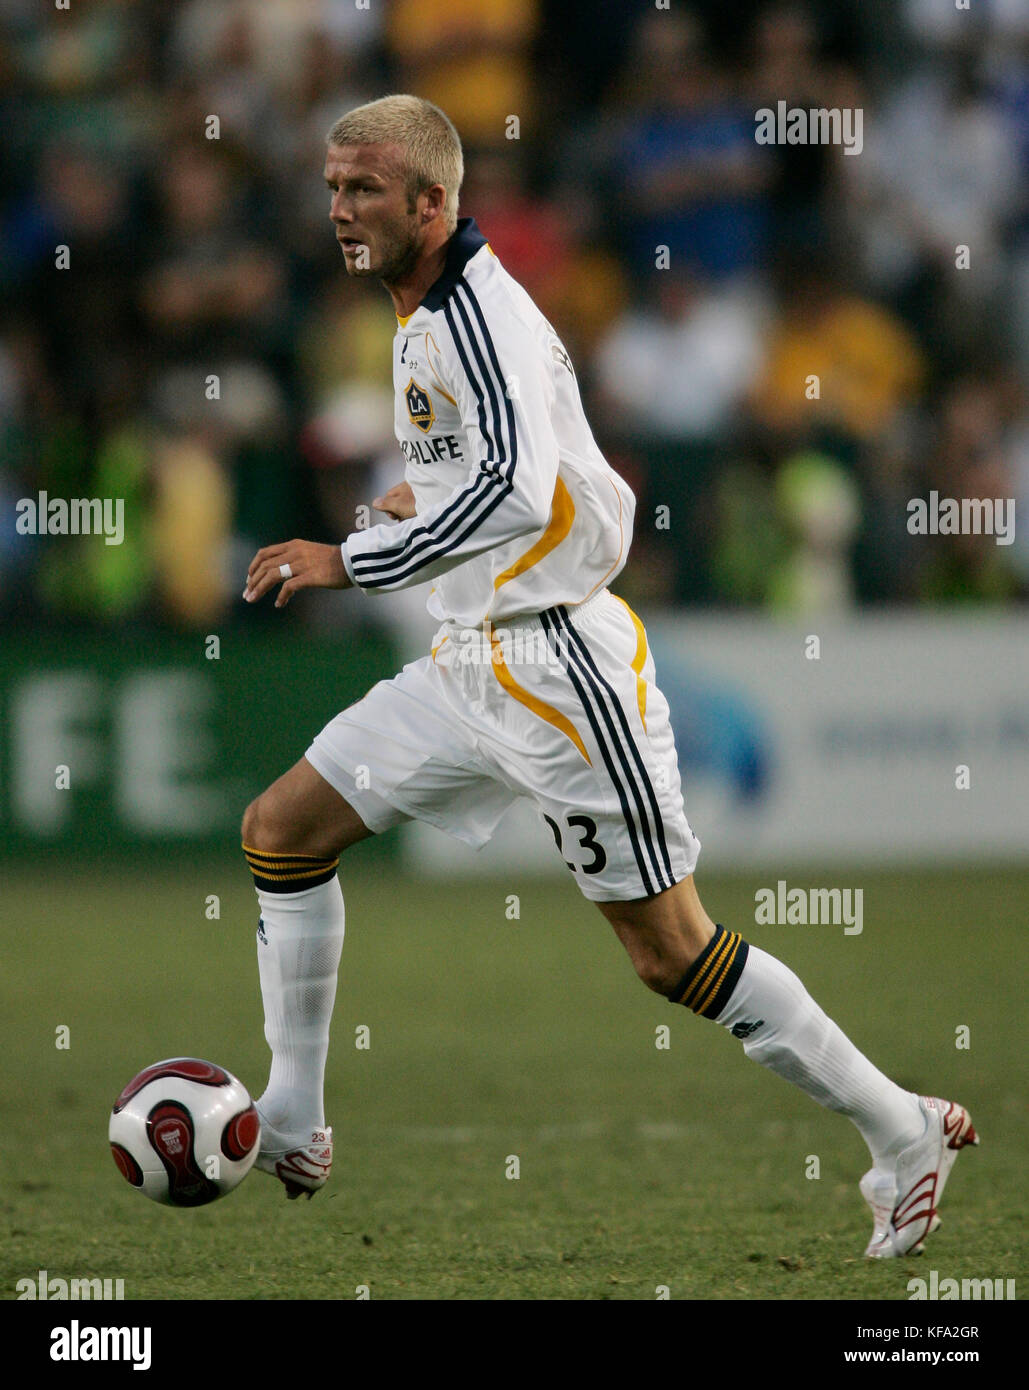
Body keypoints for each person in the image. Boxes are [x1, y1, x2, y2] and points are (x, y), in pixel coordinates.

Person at [240, 95, 976, 1257]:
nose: (339, 208)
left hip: (557, 668)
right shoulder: (423, 310)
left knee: (669, 950)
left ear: (433, 202)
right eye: (333, 186)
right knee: (282, 828)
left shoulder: (473, 316)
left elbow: (519, 497)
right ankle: (292, 1111)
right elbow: (508, 471)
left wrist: (351, 555)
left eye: (365, 189)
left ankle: (902, 1127)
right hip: (468, 656)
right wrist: (413, 501)